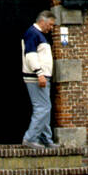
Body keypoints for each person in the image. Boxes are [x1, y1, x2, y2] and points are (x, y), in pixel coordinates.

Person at [21, 11, 58, 149]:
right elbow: (30, 56)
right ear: (42, 21)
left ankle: (45, 139)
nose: (51, 28)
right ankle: (30, 138)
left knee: (45, 107)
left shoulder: (39, 35)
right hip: (36, 78)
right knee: (43, 107)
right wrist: (39, 73)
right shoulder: (33, 33)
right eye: (50, 25)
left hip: (40, 77)